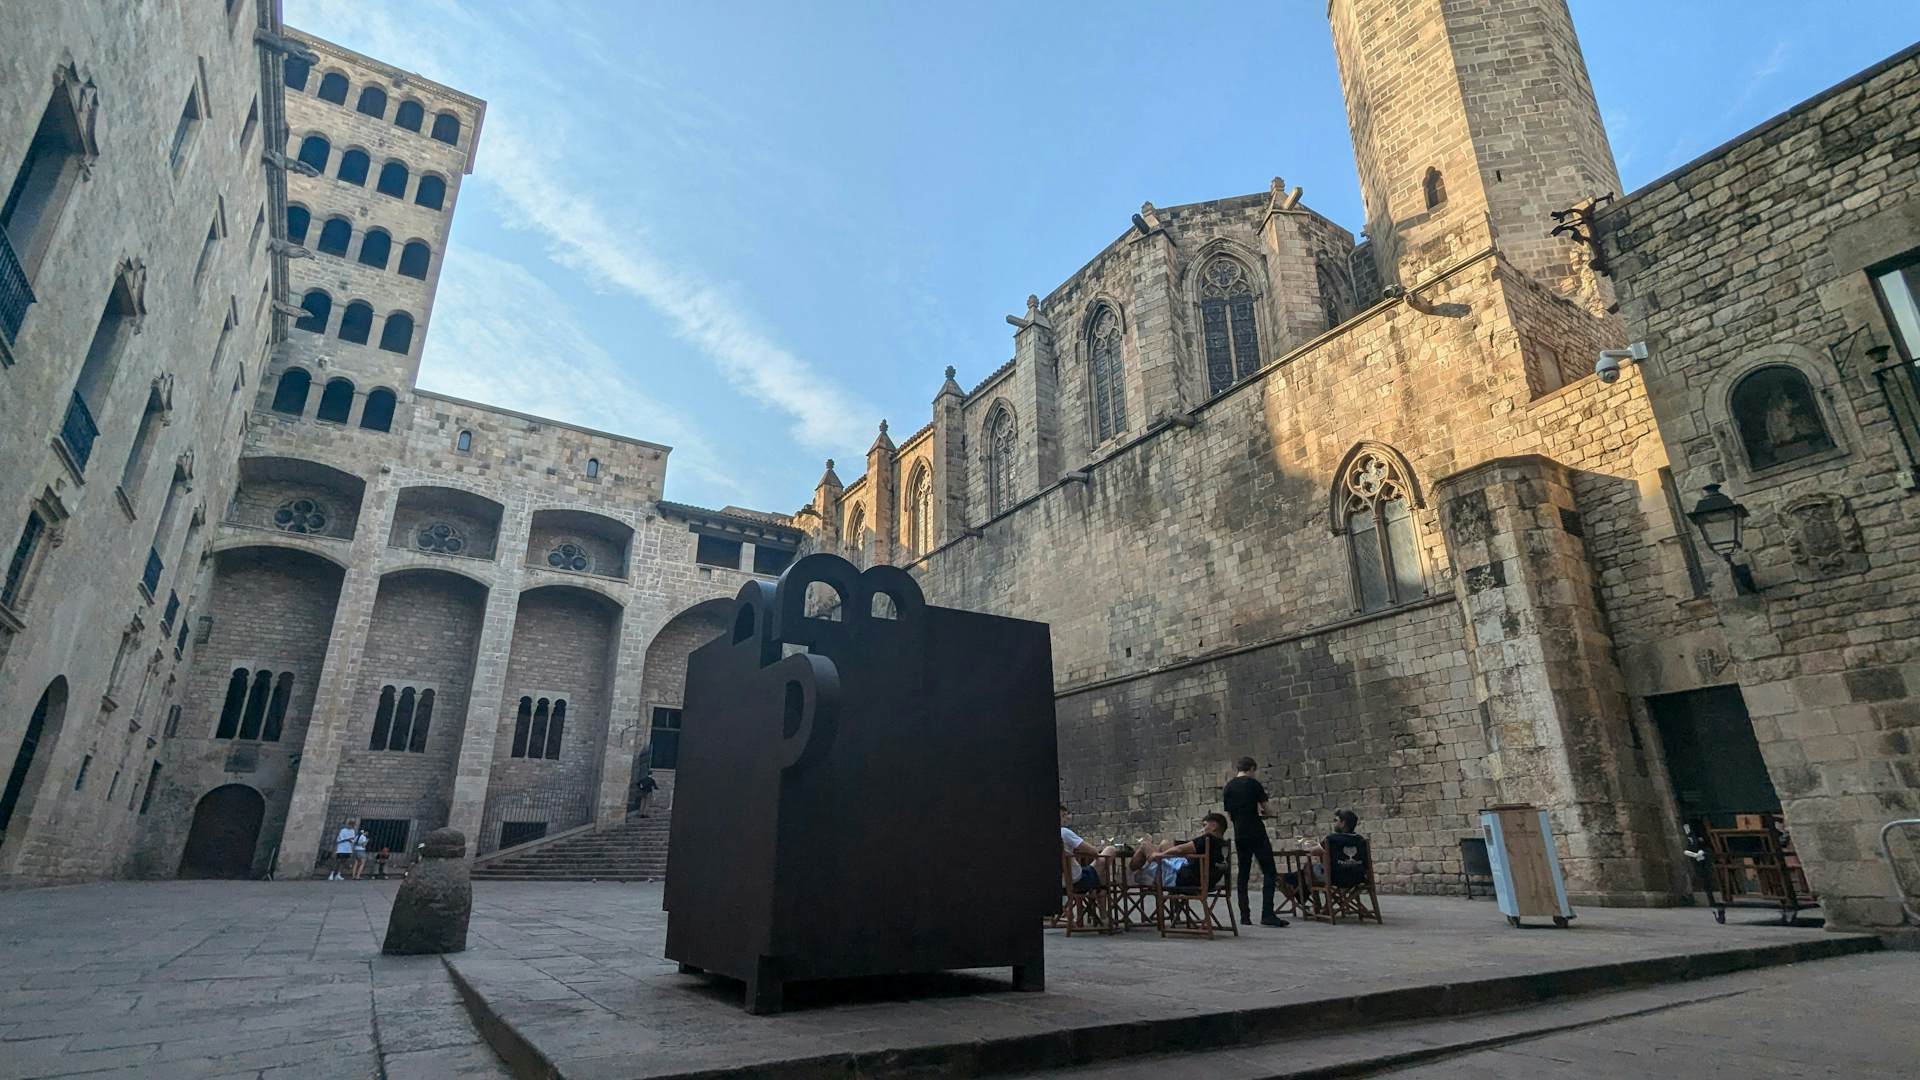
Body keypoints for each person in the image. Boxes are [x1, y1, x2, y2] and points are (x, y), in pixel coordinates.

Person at [1222, 757, 1288, 927]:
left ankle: (1245, 916)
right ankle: (1267, 913)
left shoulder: (1228, 787)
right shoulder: (1253, 784)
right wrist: (1269, 814)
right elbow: (1268, 809)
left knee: (1243, 874)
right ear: (1251, 768)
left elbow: (1230, 815)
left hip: (1240, 833)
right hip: (1256, 832)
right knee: (1269, 871)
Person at [1128, 813, 1232, 893]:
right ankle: (1145, 871)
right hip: (1207, 882)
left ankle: (1128, 876)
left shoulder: (1208, 838)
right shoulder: (1223, 845)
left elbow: (1180, 850)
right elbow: (1182, 847)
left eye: (1205, 825)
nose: (1202, 829)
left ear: (1213, 826)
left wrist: (1159, 855)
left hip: (1183, 880)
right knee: (1165, 843)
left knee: (1145, 845)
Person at [1058, 804, 1105, 892]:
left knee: (1099, 869)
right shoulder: (1064, 832)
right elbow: (1094, 852)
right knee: (1109, 851)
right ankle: (1100, 899)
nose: (1066, 819)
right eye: (1064, 815)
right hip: (1075, 880)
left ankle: (1091, 899)